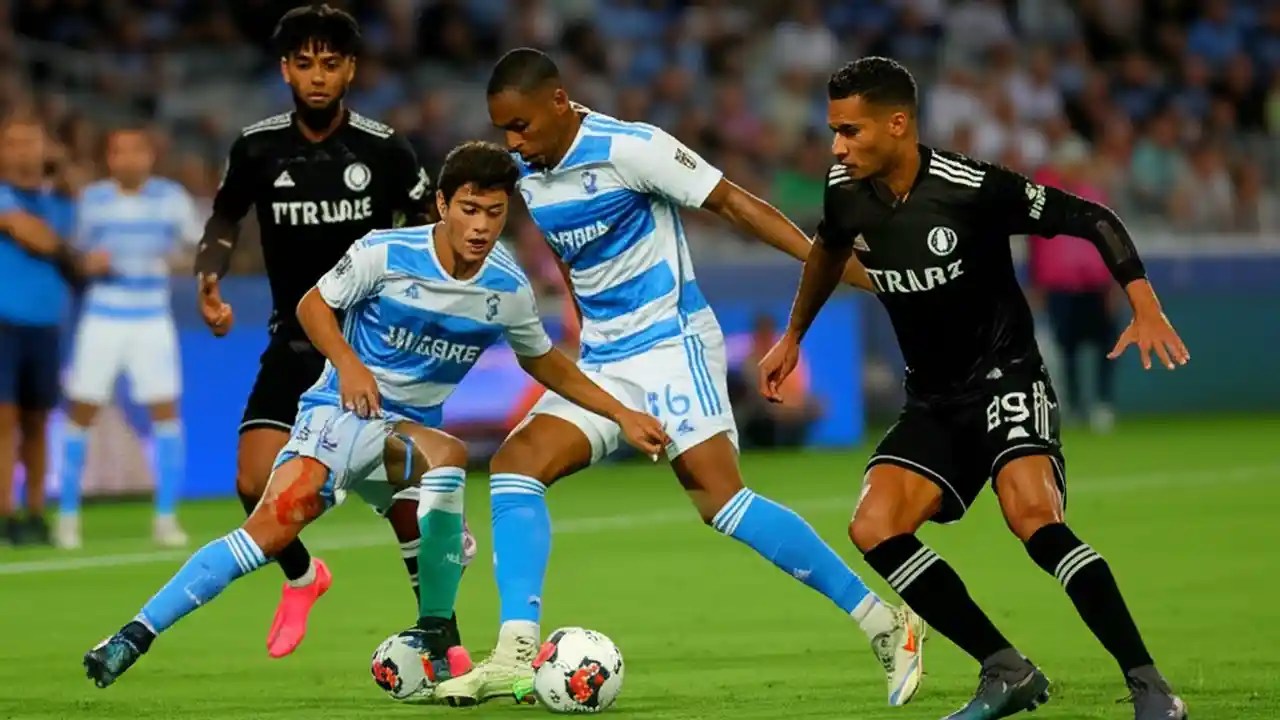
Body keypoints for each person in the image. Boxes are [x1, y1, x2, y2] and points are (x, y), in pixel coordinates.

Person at [434, 48, 925, 709]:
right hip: (603, 358)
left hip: (671, 345)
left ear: (558, 103)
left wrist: (833, 265)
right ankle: (515, 654)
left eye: (520, 126)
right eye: (503, 130)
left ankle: (886, 623)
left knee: (720, 502)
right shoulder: (525, 171)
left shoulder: (631, 149)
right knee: (518, 465)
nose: (513, 142)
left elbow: (737, 205)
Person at [82, 140, 668, 692]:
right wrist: (348, 364)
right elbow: (313, 305)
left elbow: (545, 363)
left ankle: (438, 634)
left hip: (405, 441)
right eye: (469, 209)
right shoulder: (385, 253)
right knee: (265, 534)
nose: (482, 226)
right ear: (442, 204)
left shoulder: (506, 288)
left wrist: (620, 412)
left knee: (445, 461)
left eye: (494, 212)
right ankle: (133, 634)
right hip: (337, 419)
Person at [758, 57, 1189, 720]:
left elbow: (1091, 216)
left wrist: (1143, 299)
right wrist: (792, 337)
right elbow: (827, 250)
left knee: (1033, 519)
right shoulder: (845, 186)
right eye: (834, 131)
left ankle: (1150, 687)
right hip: (934, 398)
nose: (837, 146)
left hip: (1006, 376)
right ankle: (1004, 668)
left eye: (851, 130)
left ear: (897, 124)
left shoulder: (971, 187)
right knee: (874, 526)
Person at [192, 4, 441, 658]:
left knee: (398, 498)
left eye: (330, 63)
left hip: (368, 350)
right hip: (292, 342)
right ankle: (305, 575)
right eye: (305, 63)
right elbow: (223, 221)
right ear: (285, 70)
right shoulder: (256, 147)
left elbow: (433, 224)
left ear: (351, 69)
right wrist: (208, 280)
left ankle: (438, 626)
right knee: (253, 484)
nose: (318, 76)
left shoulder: (384, 150)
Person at [56, 127, 203, 550]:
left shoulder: (171, 199)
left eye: (137, 151)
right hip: (102, 317)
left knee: (166, 412)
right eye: (120, 151)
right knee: (82, 410)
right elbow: (75, 257)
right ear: (110, 158)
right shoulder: (93, 201)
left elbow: (197, 247)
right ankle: (67, 518)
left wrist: (179, 260)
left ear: (150, 156)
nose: (129, 159)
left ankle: (166, 518)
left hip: (151, 318)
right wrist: (87, 264)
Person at [0, 112, 106, 546]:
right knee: (4, 422)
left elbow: (87, 209)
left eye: (32, 142)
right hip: (4, 324)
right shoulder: (5, 197)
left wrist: (61, 163)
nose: (24, 151)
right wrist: (78, 260)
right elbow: (34, 237)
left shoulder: (62, 201)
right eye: (14, 142)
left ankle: (36, 513)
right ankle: (5, 515)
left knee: (39, 423)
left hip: (46, 326)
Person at [1026, 140, 1119, 432]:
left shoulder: (1095, 197)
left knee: (1108, 345)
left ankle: (1103, 403)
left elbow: (1110, 246)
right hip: (1060, 288)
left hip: (1095, 287)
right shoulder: (1046, 201)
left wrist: (1114, 286)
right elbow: (1036, 249)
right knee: (1066, 350)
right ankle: (1076, 405)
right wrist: (1038, 285)